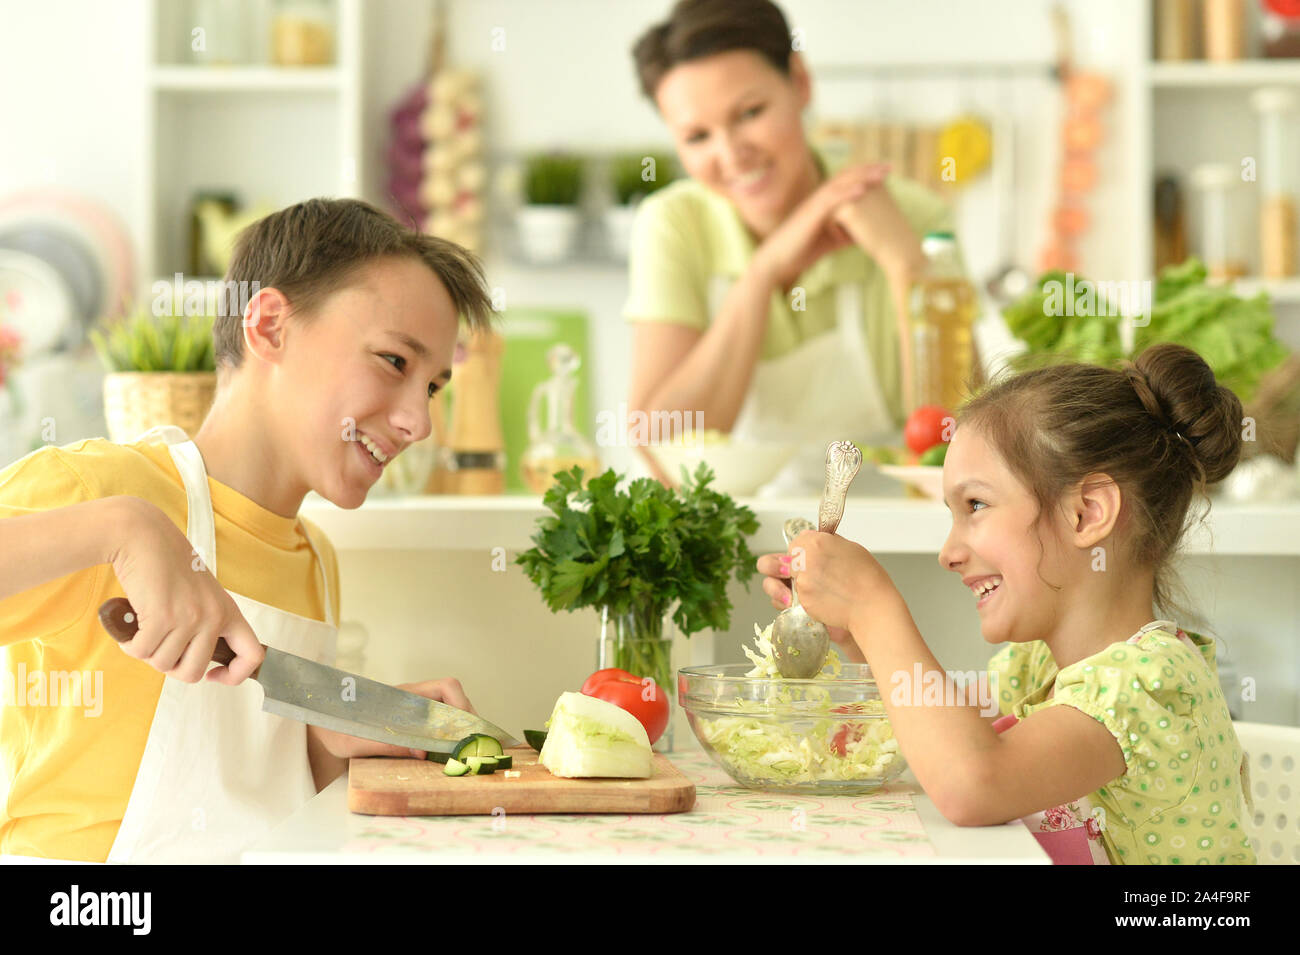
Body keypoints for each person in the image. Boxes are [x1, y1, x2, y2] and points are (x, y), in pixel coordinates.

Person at [0, 198, 492, 862]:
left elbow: (253, 797)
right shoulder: (104, 490)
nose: (419, 422)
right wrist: (123, 527)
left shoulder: (315, 558)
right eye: (395, 362)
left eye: (433, 386)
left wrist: (335, 732)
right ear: (268, 326)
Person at [759, 342, 1256, 864]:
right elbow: (936, 734)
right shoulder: (1037, 666)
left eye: (976, 504)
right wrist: (855, 635)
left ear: (1087, 514)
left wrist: (873, 607)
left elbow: (973, 783)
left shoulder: (1151, 683)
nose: (948, 553)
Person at [625, 0, 959, 492]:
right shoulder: (673, 224)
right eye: (697, 136)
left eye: (750, 112)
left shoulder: (913, 216)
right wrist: (763, 274)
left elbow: (959, 447)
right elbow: (661, 446)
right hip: (735, 542)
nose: (731, 154)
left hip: (892, 542)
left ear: (799, 82)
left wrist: (904, 263)